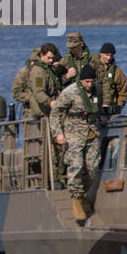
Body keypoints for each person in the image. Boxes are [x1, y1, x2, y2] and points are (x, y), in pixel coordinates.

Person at [51, 65, 103, 224]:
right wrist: (58, 133)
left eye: (91, 81)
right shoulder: (70, 92)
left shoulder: (96, 90)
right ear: (81, 80)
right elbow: (56, 112)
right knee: (76, 165)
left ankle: (84, 195)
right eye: (87, 81)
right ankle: (76, 198)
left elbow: (96, 107)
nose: (89, 84)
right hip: (74, 132)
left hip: (92, 132)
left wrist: (101, 118)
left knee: (93, 167)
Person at [25, 43, 66, 186]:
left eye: (52, 58)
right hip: (44, 113)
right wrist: (50, 102)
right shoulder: (38, 72)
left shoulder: (47, 70)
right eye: (48, 58)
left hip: (52, 113)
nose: (50, 60)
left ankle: (59, 177)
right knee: (51, 150)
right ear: (42, 56)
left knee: (59, 147)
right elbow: (39, 92)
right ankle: (53, 180)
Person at [95, 42, 127, 114]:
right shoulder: (92, 68)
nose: (109, 58)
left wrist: (119, 107)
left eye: (111, 55)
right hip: (94, 108)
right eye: (106, 55)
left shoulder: (117, 72)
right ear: (101, 53)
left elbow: (122, 92)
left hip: (110, 109)